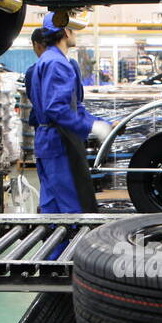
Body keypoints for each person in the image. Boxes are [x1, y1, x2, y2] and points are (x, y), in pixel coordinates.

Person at [29, 12, 111, 213]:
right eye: (74, 30)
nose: (76, 35)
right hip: (60, 143)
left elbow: (74, 106)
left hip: (46, 141)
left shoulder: (45, 61)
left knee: (52, 206)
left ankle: (57, 245)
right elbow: (57, 109)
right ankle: (72, 245)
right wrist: (91, 126)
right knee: (72, 207)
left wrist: (99, 122)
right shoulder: (58, 63)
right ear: (65, 32)